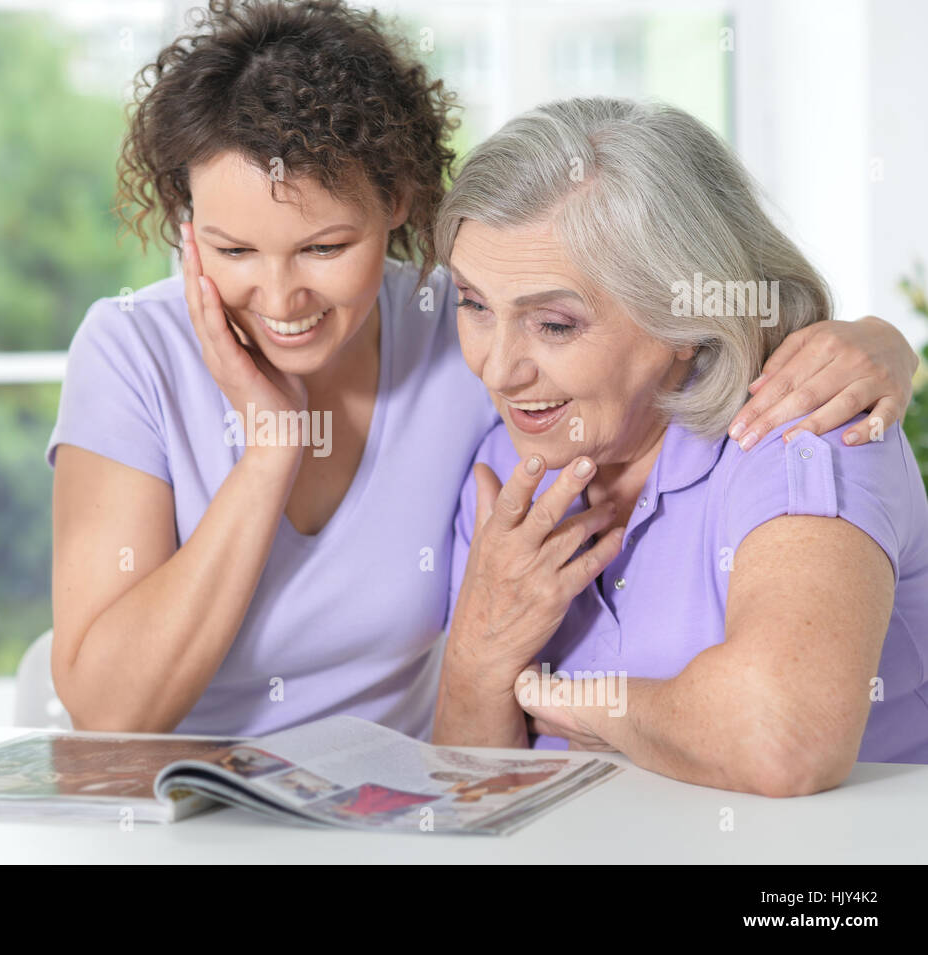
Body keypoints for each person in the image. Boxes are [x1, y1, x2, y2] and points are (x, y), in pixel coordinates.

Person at [46, 0, 918, 739]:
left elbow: (637, 297)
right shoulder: (134, 351)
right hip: (189, 813)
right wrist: (271, 449)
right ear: (184, 220)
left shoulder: (456, 325)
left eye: (324, 246)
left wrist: (883, 341)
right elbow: (108, 712)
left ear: (396, 206)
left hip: (385, 808)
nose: (279, 297)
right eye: (231, 247)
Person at [433, 97, 928, 796]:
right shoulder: (505, 463)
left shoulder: (806, 430)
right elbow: (467, 796)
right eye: (475, 305)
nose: (497, 367)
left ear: (688, 322)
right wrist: (478, 663)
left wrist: (574, 703)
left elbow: (779, 736)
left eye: (552, 323)